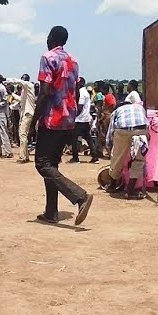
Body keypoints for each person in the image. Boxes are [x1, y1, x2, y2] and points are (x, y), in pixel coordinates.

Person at [34, 26, 94, 225]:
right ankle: (51, 211)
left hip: (51, 119)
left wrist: (34, 119)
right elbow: (76, 92)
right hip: (68, 119)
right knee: (52, 165)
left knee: (42, 164)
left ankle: (80, 196)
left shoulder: (48, 58)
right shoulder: (73, 60)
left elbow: (44, 92)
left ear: (51, 38)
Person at [104, 95, 149, 193]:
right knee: (138, 159)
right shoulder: (140, 108)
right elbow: (147, 123)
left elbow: (111, 131)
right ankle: (131, 188)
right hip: (141, 130)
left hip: (123, 131)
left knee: (117, 157)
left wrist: (110, 146)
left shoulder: (117, 111)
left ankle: (112, 185)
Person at [7, 74, 37, 163]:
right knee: (23, 135)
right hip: (24, 114)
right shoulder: (25, 91)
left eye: (23, 79)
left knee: (22, 135)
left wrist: (7, 79)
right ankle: (25, 156)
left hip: (28, 113)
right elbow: (20, 100)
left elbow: (20, 82)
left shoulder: (29, 86)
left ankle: (22, 157)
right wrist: (11, 93)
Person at [69, 77, 97, 163]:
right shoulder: (85, 92)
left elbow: (80, 107)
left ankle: (75, 158)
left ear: (81, 83)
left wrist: (73, 117)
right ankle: (95, 156)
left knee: (74, 138)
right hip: (85, 119)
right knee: (88, 138)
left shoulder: (81, 92)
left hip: (79, 119)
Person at [0, 75, 14, 159]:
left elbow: (5, 101)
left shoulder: (2, 88)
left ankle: (8, 152)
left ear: (0, 80)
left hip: (1, 113)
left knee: (3, 132)